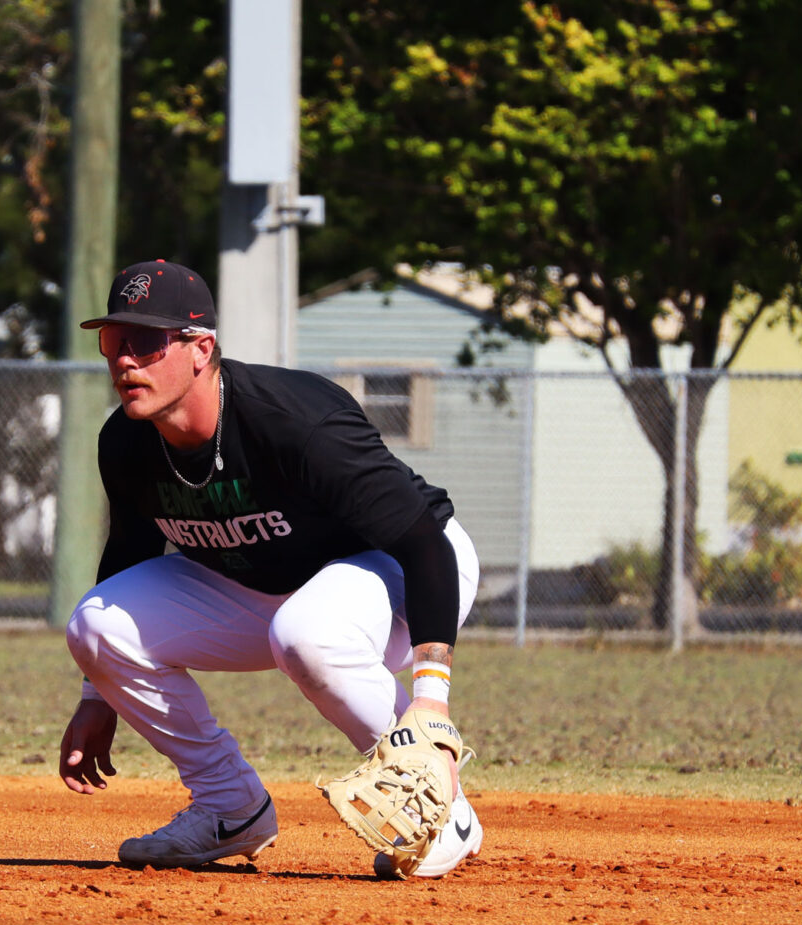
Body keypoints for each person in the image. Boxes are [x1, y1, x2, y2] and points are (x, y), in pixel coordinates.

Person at [57, 259, 483, 877]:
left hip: (406, 565)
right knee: (96, 626)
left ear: (201, 349)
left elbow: (422, 541)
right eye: (113, 341)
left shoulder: (294, 422)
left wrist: (432, 702)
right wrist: (99, 692)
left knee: (309, 633)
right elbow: (130, 552)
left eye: (145, 342)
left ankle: (441, 810)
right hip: (263, 582)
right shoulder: (125, 442)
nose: (124, 360)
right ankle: (229, 807)